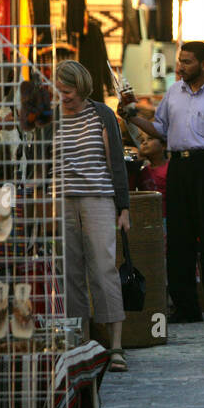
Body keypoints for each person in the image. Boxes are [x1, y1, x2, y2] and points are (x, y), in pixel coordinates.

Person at [120, 41, 204, 323]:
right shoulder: (173, 93)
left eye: (188, 61)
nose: (181, 66)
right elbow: (161, 130)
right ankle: (186, 307)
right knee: (179, 237)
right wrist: (134, 118)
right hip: (179, 166)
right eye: (180, 61)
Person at [55, 61, 131, 372]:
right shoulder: (50, 116)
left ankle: (115, 346)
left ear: (82, 88)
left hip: (98, 198)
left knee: (103, 270)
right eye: (58, 91)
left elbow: (116, 161)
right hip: (59, 200)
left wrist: (123, 205)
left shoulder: (101, 114)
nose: (63, 97)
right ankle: (82, 344)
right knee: (69, 274)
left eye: (68, 91)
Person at [136, 133, 169, 219]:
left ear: (163, 145)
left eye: (150, 139)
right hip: (148, 218)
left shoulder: (171, 168)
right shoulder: (142, 172)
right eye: (142, 141)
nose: (144, 143)